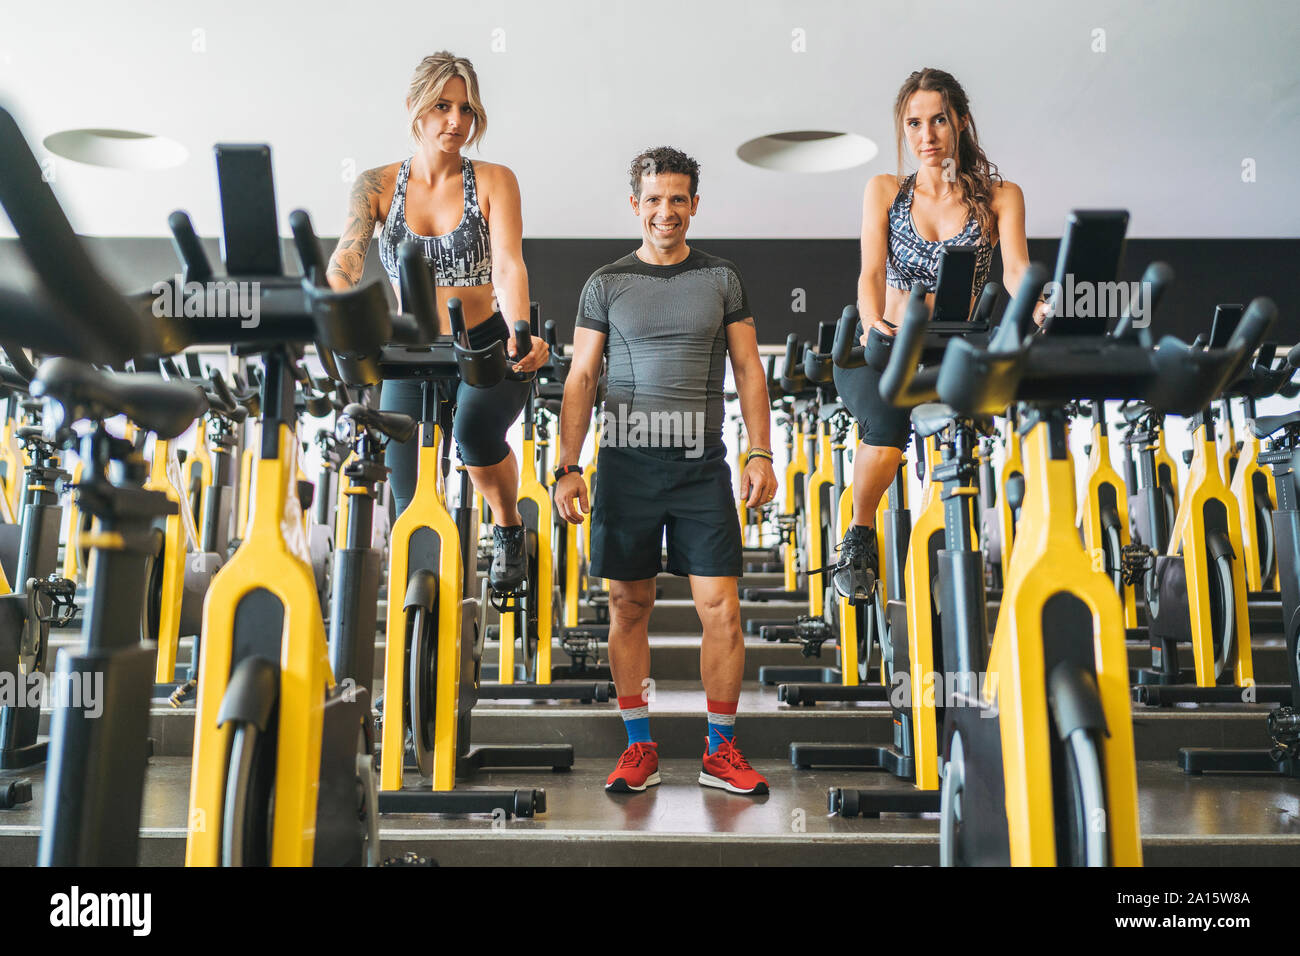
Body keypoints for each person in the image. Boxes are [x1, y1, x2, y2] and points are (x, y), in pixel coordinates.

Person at [553, 147, 779, 795]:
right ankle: (638, 747)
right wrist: (568, 465)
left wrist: (760, 451)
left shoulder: (722, 279)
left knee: (723, 610)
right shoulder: (605, 283)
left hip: (700, 464)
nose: (666, 211)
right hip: (625, 462)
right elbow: (582, 375)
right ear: (635, 205)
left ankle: (720, 751)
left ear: (694, 205)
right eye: (653, 199)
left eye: (678, 199)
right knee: (629, 604)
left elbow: (749, 370)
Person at [326, 51, 548, 589]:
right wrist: (335, 308)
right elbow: (345, 263)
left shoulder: (495, 180)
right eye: (443, 106)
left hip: (485, 344)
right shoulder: (375, 186)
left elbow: (507, 264)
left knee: (474, 436)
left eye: (467, 109)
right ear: (415, 108)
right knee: (408, 498)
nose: (456, 121)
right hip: (411, 355)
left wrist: (520, 331)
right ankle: (422, 605)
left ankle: (509, 529)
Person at [830, 67, 1035, 601]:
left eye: (938, 120)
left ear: (961, 123)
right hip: (883, 350)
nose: (926, 136)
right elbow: (870, 273)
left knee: (964, 432)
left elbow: (1015, 272)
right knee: (891, 420)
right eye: (914, 123)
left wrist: (1041, 309)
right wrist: (873, 319)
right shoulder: (884, 190)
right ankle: (858, 534)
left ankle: (956, 548)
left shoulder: (1000, 197)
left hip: (951, 352)